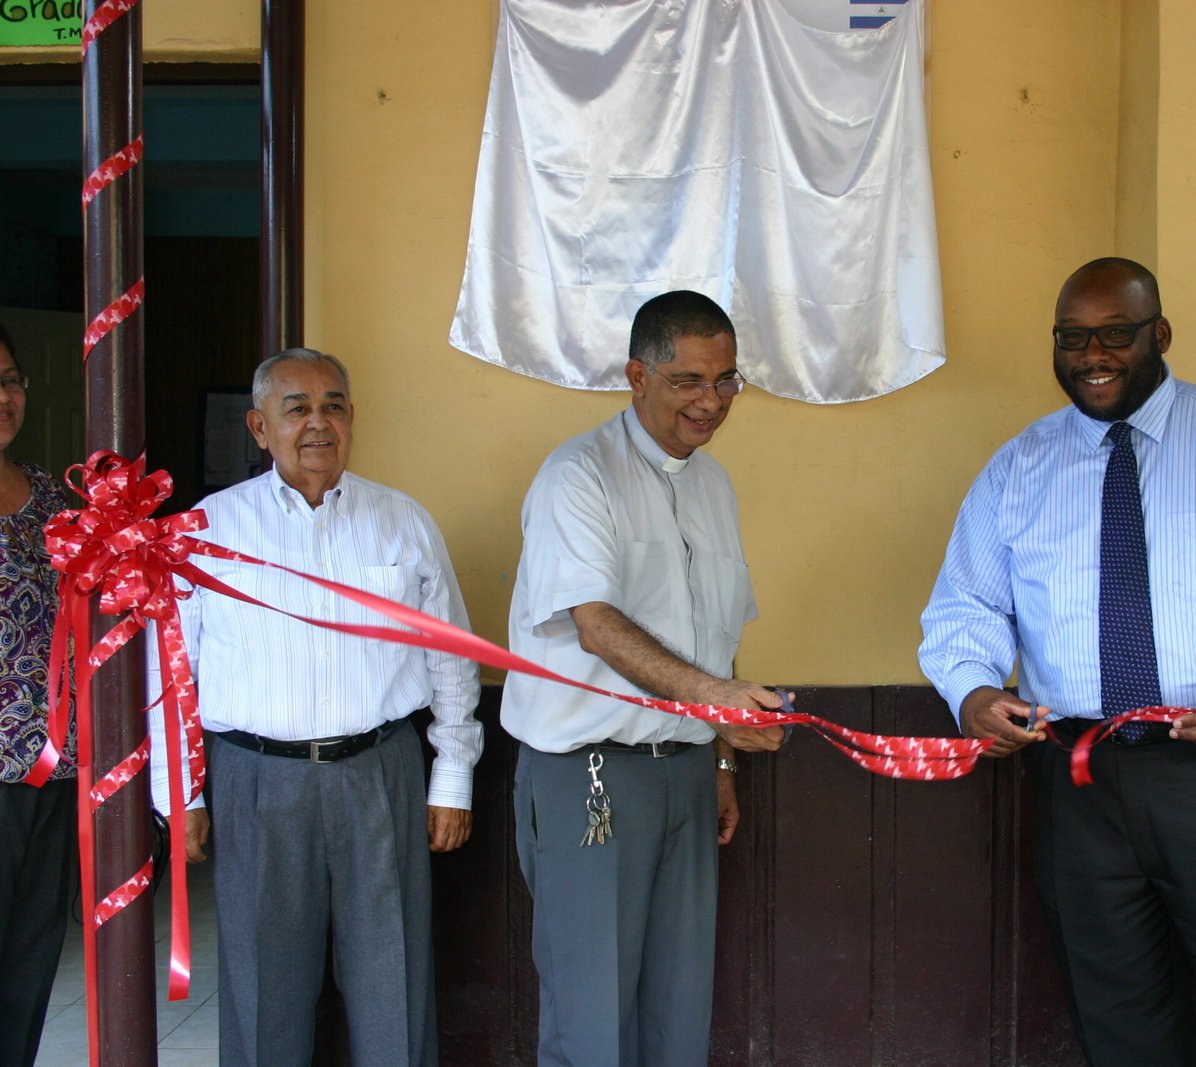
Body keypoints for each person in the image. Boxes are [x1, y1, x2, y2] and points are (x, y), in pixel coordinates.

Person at [919, 258, 1196, 1066]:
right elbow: (966, 606)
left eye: (1115, 334)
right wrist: (974, 688)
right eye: (1071, 337)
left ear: (1159, 334)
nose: (1092, 353)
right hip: (1082, 782)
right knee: (1119, 1028)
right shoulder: (1018, 468)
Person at [149, 347, 481, 1067]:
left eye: (333, 405)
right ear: (259, 428)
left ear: (352, 419)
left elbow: (450, 656)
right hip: (257, 783)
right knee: (264, 990)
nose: (317, 422)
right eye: (296, 407)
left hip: (380, 773)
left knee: (391, 981)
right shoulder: (205, 532)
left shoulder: (403, 522)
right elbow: (173, 671)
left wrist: (450, 775)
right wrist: (181, 797)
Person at [502, 289, 784, 1067]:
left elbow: (715, 639)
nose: (711, 401)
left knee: (678, 1011)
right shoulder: (578, 476)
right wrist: (718, 700)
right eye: (688, 380)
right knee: (591, 1019)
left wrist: (720, 757)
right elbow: (594, 623)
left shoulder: (713, 486)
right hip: (590, 777)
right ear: (637, 375)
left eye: (725, 381)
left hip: (687, 775)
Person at [0, 323, 75, 1067]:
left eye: (10, 378)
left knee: (29, 961)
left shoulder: (51, 495)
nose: (3, 395)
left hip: (54, 774)